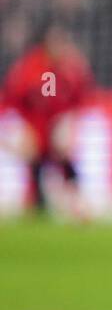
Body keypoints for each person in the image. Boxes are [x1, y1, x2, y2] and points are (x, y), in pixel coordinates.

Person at [2, 20, 94, 214]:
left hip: (52, 128)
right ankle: (40, 202)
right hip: (35, 128)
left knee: (63, 158)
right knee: (40, 160)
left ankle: (74, 200)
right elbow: (15, 99)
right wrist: (16, 129)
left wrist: (68, 121)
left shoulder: (71, 68)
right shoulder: (30, 69)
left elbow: (79, 99)